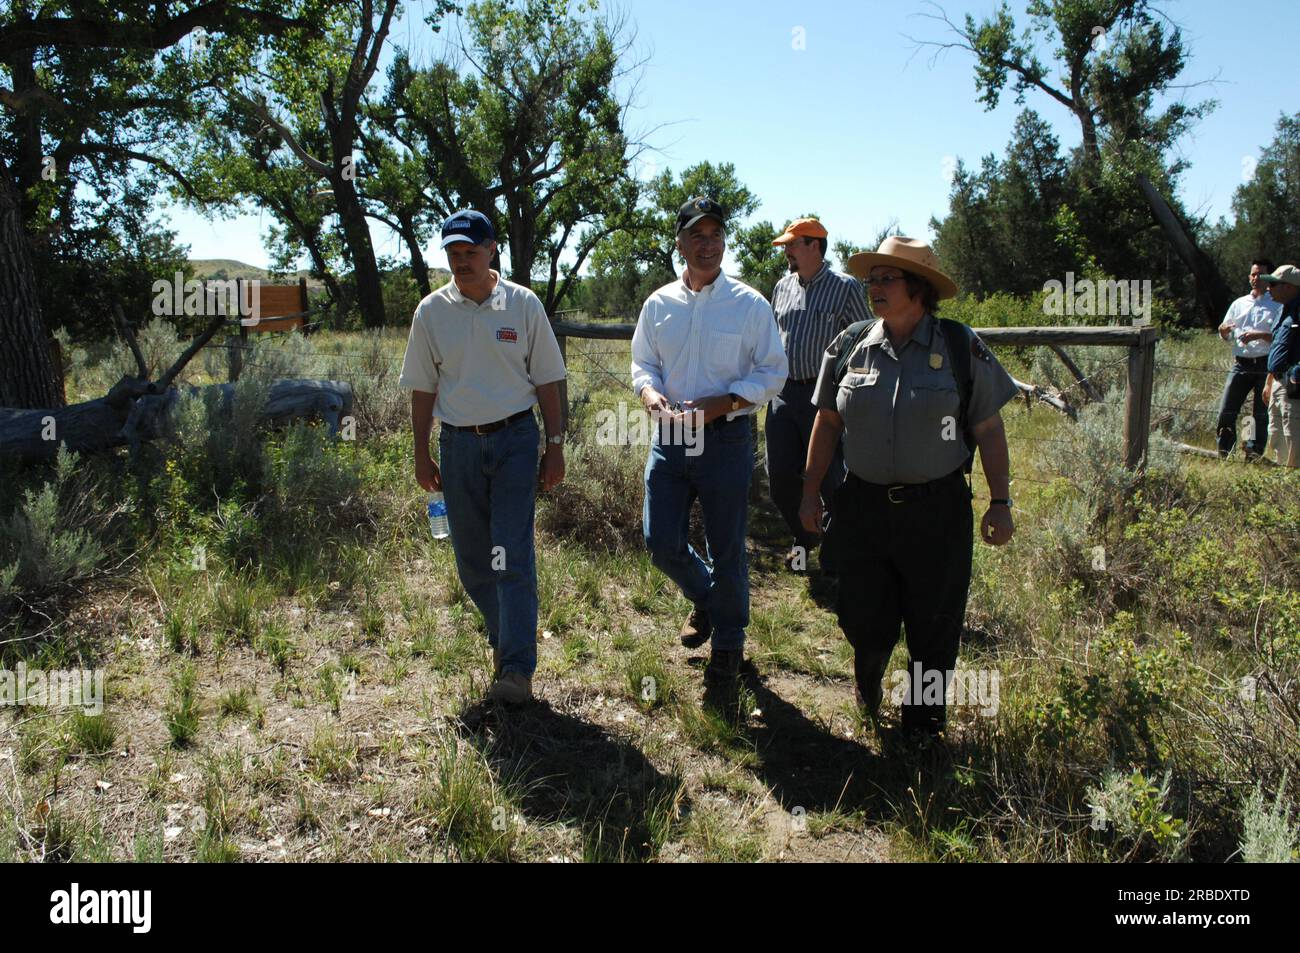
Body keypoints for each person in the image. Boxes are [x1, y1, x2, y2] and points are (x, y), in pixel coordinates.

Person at [799, 237, 1017, 737]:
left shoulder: (960, 347)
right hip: (863, 509)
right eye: (870, 279)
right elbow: (828, 422)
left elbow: (988, 429)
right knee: (862, 616)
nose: (873, 287)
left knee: (934, 628)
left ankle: (923, 731)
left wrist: (1000, 501)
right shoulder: (851, 344)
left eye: (885, 279)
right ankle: (869, 674)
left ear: (918, 287)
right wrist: (811, 491)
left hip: (937, 511)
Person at [399, 209, 568, 705]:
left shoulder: (522, 305)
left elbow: (549, 380)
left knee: (511, 554)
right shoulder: (432, 311)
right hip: (458, 446)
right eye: (453, 253)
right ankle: (507, 635)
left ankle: (516, 669)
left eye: (470, 252)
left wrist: (554, 447)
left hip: (515, 439)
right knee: (472, 558)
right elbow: (422, 388)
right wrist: (420, 453)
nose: (461, 262)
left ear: (492, 250)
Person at [631, 197, 787, 695]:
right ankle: (708, 600)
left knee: (727, 546)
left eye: (716, 235)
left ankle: (729, 645)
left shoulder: (749, 304)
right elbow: (643, 363)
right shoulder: (659, 304)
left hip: (725, 440)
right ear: (679, 242)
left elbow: (772, 371)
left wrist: (723, 404)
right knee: (660, 542)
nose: (708, 245)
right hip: (670, 439)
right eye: (697, 236)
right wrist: (649, 393)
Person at [766, 218, 869, 574]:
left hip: (823, 397)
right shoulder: (781, 287)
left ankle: (838, 552)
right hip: (781, 394)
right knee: (779, 481)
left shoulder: (846, 287)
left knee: (829, 480)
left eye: (792, 245)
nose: (787, 252)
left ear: (814, 245)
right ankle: (805, 539)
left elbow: (865, 340)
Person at [1216, 259, 1281, 459]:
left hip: (1265, 364)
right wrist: (1223, 330)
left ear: (1269, 278)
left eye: (1260, 274)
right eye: (1253, 274)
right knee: (1227, 410)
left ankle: (1253, 454)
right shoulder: (1238, 304)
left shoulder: (1277, 304)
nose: (1256, 278)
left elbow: (1281, 336)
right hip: (1241, 364)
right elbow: (1224, 333)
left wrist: (1258, 335)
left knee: (1259, 415)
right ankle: (1225, 453)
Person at [1262, 264, 1300, 468]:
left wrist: (1296, 374)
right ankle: (1282, 486)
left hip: (1294, 386)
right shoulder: (1282, 310)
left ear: (1289, 287)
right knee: (1276, 435)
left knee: (1293, 436)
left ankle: (1294, 487)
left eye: (1273, 284)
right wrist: (1269, 381)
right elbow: (1278, 347)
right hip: (1278, 383)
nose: (1269, 288)